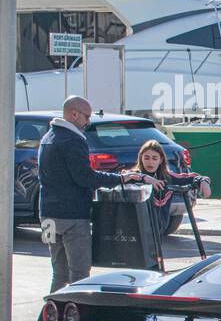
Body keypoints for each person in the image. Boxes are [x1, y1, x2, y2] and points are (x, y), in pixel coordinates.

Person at [37, 95, 160, 292]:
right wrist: (120, 178)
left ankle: (52, 315)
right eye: (86, 116)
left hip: (47, 215)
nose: (88, 121)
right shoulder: (73, 140)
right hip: (72, 216)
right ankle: (75, 317)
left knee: (58, 273)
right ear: (74, 114)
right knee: (79, 274)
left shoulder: (47, 138)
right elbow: (84, 177)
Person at [130, 140, 212, 240]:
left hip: (157, 232)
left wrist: (202, 181)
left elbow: (188, 177)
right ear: (141, 159)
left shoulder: (166, 177)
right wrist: (145, 179)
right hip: (134, 231)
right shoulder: (133, 176)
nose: (150, 162)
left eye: (154, 158)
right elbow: (124, 177)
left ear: (160, 160)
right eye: (146, 158)